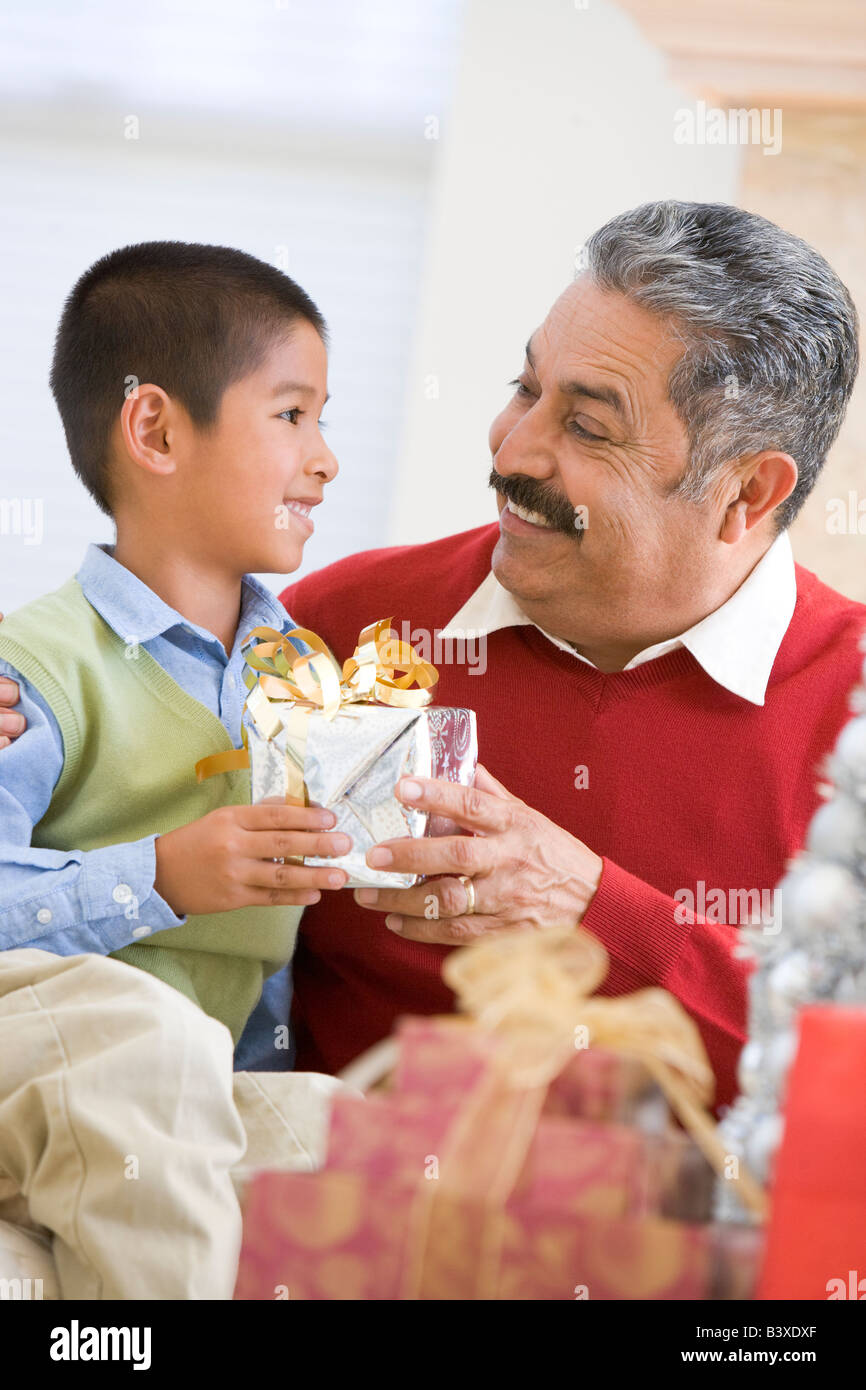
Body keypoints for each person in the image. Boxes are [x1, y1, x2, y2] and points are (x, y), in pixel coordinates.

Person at [276, 201, 864, 1111]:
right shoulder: (342, 623)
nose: (512, 450)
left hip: (695, 1238)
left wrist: (592, 912)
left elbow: (840, 1082)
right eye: (524, 388)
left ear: (748, 490)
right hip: (330, 1221)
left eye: (587, 428)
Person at [0, 241, 359, 1297]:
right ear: (155, 427)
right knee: (147, 1047)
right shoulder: (34, 669)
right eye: (292, 415)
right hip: (53, 1045)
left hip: (185, 1092)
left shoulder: (309, 682)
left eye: (326, 417)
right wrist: (158, 874)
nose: (326, 457)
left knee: (350, 1136)